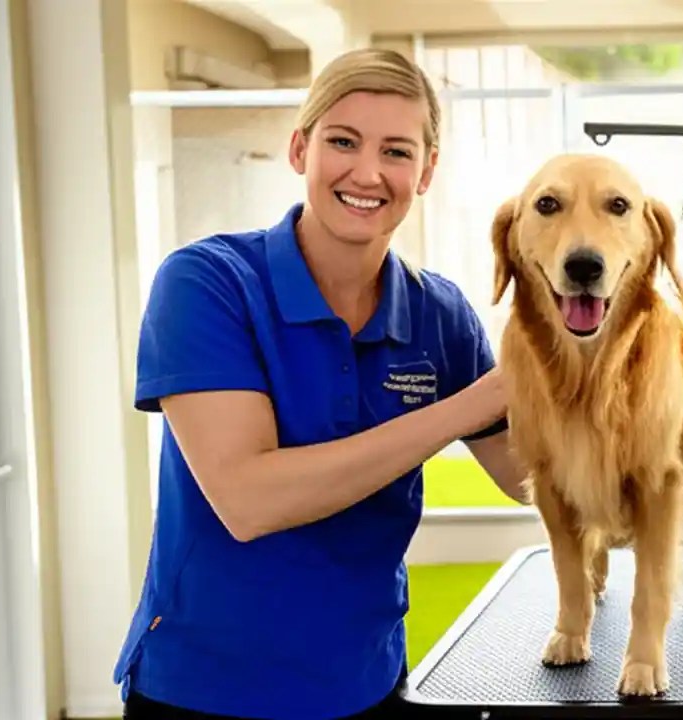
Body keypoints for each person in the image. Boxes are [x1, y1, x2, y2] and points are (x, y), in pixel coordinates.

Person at [114, 48, 529, 720]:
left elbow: (528, 478)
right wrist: (472, 404)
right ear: (299, 149)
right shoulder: (206, 283)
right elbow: (248, 500)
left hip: (369, 685)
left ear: (426, 171)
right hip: (205, 695)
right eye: (343, 141)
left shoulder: (440, 314)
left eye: (396, 151)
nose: (367, 173)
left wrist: (609, 380)